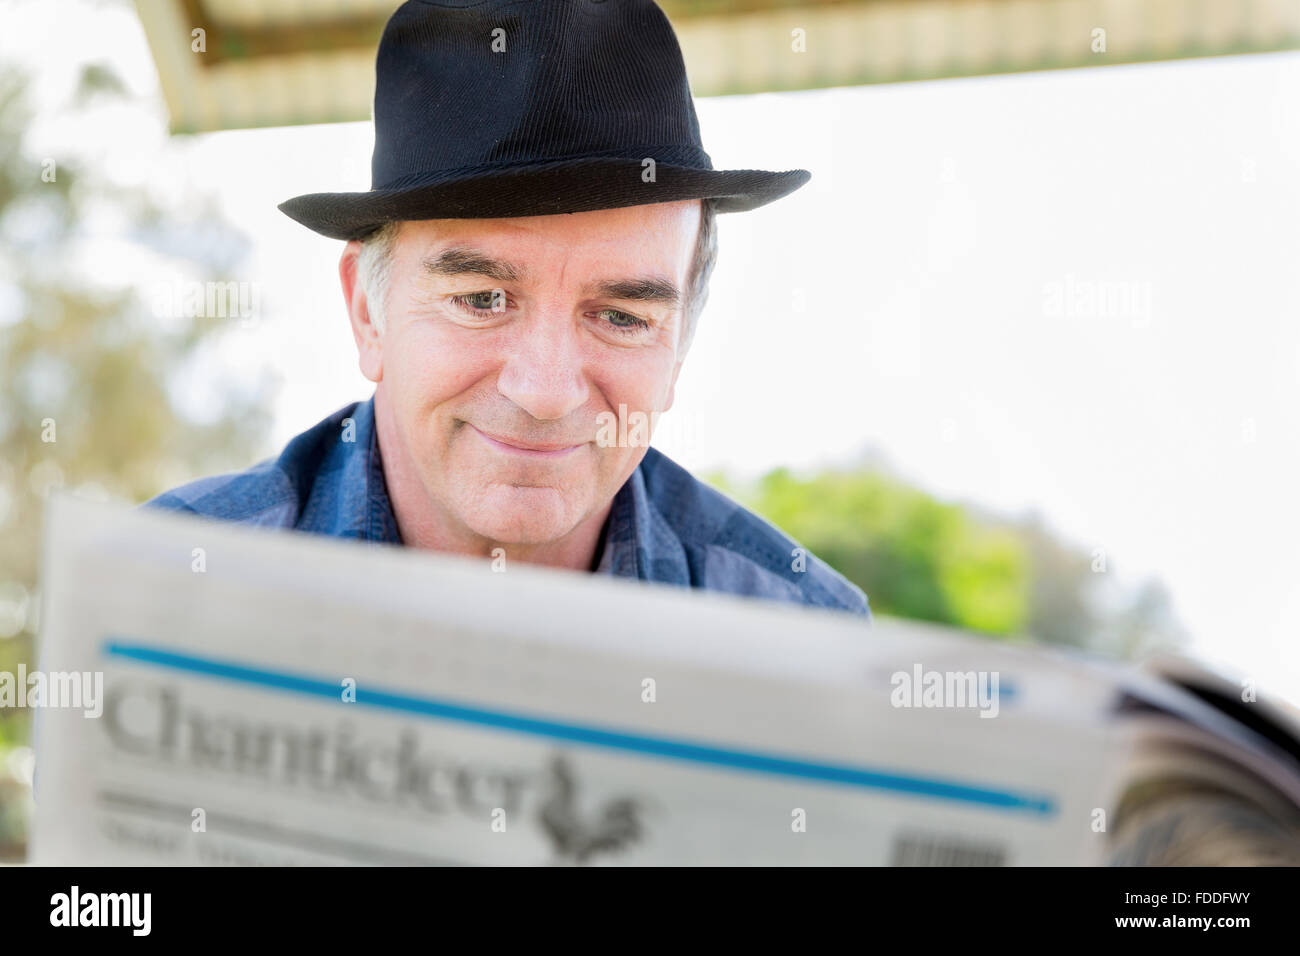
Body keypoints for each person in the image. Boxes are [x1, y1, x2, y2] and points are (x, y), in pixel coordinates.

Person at [146, 0, 869, 618]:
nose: (545, 392)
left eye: (622, 316)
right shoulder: (167, 583)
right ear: (368, 311)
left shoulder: (803, 632)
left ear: (680, 345)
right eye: (481, 299)